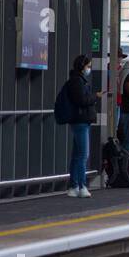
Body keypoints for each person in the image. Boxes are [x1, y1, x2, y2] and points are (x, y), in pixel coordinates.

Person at [57, 55, 105, 198]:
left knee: (77, 155)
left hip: (80, 121)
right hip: (80, 121)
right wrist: (95, 96)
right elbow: (82, 100)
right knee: (83, 154)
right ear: (82, 66)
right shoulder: (77, 82)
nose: (89, 69)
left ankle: (74, 186)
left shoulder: (77, 80)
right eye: (88, 66)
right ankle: (81, 185)